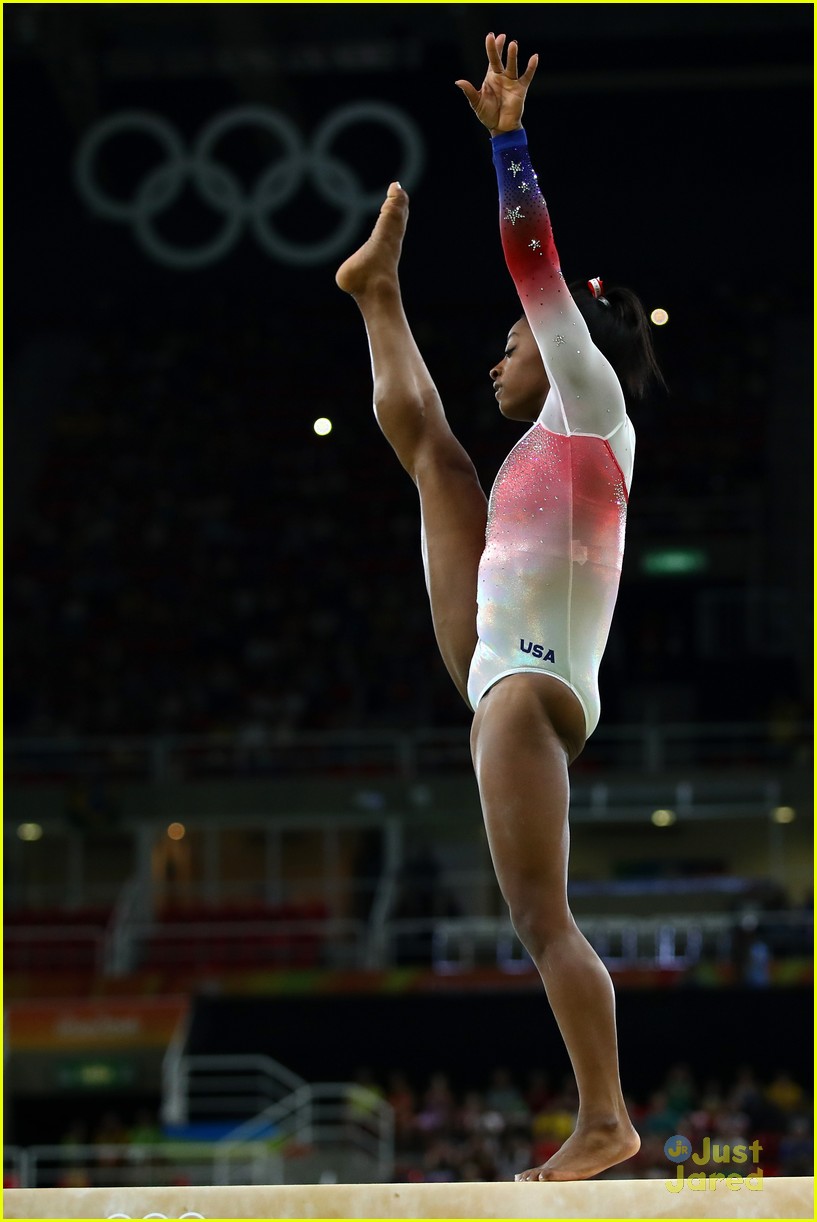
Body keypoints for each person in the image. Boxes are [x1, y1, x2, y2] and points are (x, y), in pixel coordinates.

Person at [336, 32, 663, 1181]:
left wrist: (509, 143)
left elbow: (536, 265)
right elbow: (458, 420)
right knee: (439, 461)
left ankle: (606, 1116)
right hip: (490, 658)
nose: (501, 355)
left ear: (570, 343)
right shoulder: (543, 438)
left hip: (529, 685)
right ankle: (372, 293)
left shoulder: (591, 401)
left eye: (514, 343)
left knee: (539, 918)